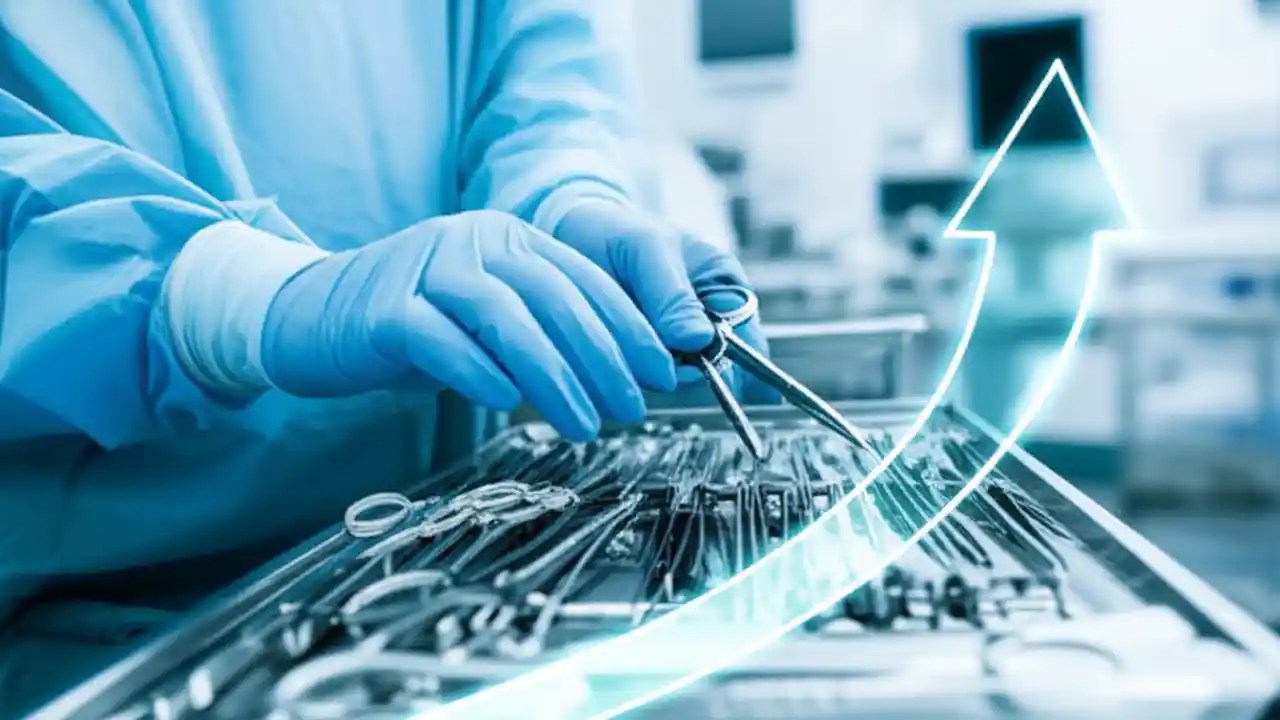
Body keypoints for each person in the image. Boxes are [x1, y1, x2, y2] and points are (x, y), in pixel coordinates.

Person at [0, 1, 769, 713]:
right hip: (91, 640)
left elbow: (536, 61)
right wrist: (214, 298)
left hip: (450, 571)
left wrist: (567, 195)